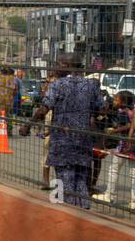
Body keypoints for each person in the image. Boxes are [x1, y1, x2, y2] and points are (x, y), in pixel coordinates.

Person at [30, 52, 103, 210]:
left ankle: (63, 212)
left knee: (63, 178)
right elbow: (102, 108)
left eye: (59, 64)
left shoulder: (58, 85)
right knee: (82, 178)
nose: (56, 67)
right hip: (83, 140)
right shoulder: (91, 85)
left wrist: (28, 125)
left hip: (62, 140)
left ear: (67, 66)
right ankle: (83, 210)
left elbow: (44, 108)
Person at [93, 90, 135, 206]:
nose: (114, 101)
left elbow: (128, 125)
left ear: (123, 102)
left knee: (114, 170)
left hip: (124, 145)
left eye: (116, 99)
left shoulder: (123, 112)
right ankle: (134, 201)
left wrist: (114, 130)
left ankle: (109, 195)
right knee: (133, 173)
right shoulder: (133, 111)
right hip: (134, 145)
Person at [0, 66, 19, 134]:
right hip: (8, 102)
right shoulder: (13, 79)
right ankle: (7, 130)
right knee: (6, 115)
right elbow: (15, 91)